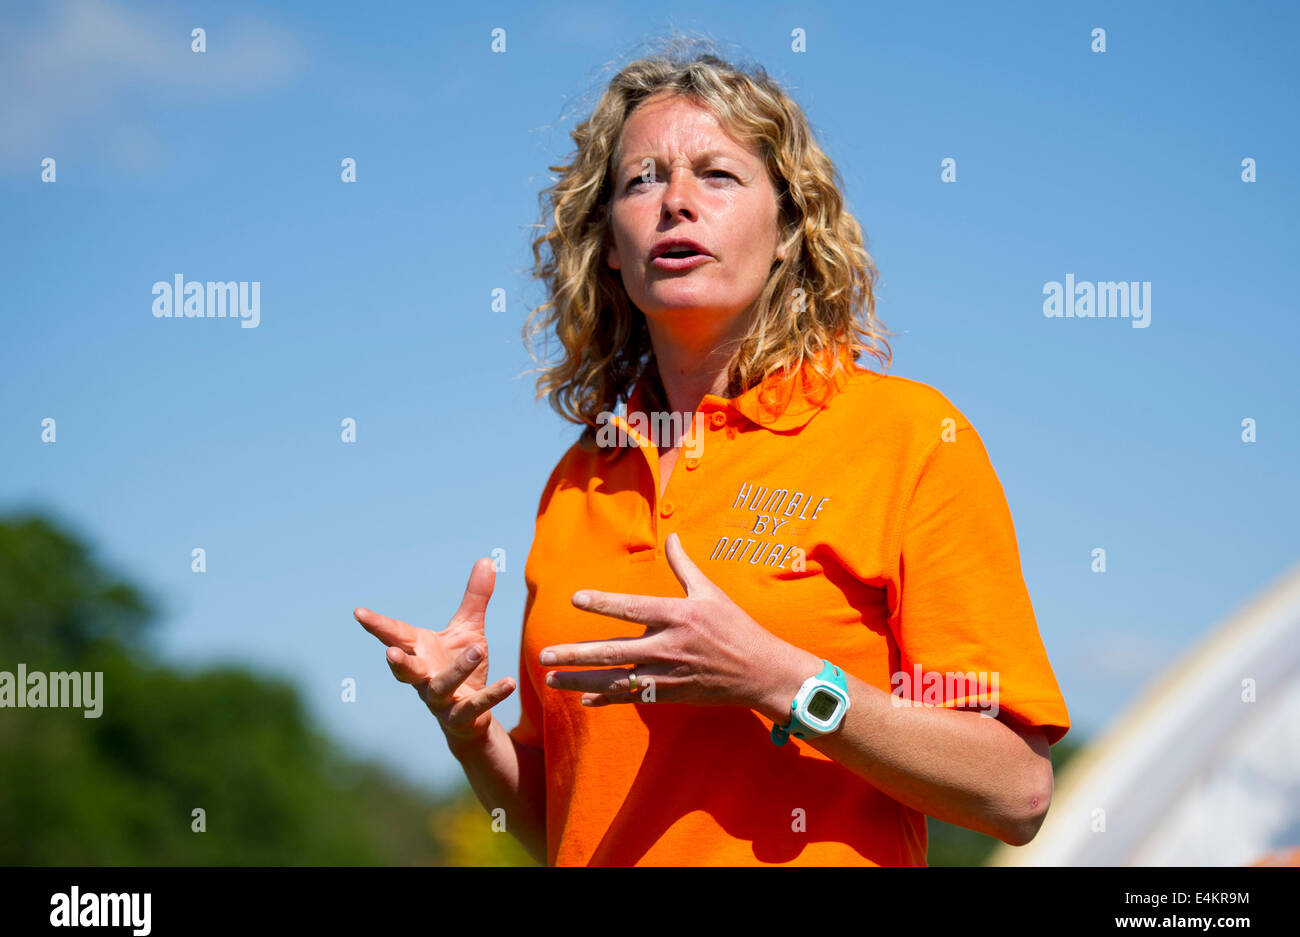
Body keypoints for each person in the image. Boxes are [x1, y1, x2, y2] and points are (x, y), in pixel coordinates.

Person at [355, 46, 1069, 866]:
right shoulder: (580, 479)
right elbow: (566, 823)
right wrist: (470, 730)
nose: (676, 203)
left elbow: (1016, 791)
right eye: (642, 180)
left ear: (788, 233)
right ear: (611, 250)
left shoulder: (908, 435)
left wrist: (776, 680)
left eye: (718, 175)